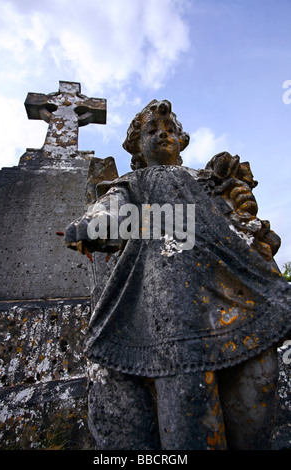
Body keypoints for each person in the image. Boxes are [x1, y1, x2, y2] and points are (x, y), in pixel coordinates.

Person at [65, 100, 291, 450]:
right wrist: (94, 224)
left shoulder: (200, 178)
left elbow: (233, 211)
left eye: (170, 131)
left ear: (182, 140)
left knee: (258, 375)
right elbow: (113, 208)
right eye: (153, 132)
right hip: (170, 291)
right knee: (187, 388)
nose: (163, 136)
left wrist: (238, 199)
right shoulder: (133, 181)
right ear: (137, 146)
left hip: (228, 276)